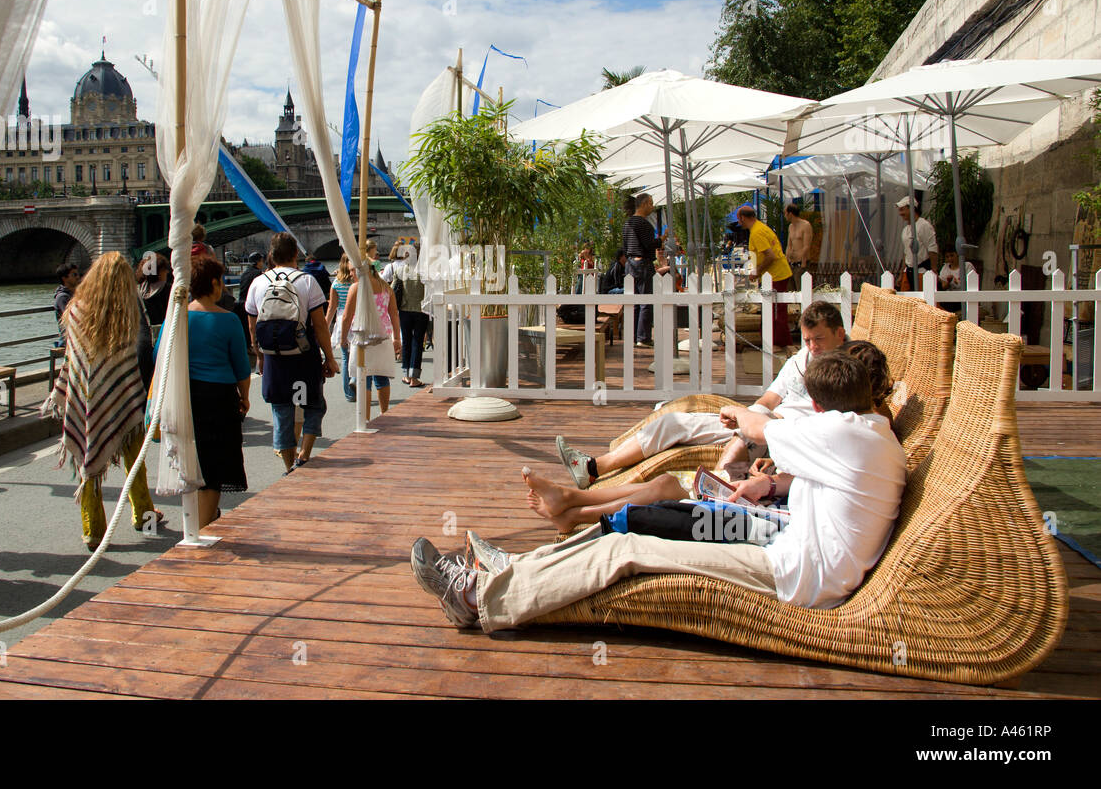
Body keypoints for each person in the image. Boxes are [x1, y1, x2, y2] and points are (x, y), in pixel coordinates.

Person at [409, 351, 907, 630]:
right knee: (647, 520)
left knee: (626, 549)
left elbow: (756, 425)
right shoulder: (873, 438)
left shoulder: (843, 437)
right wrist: (772, 481)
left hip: (795, 572)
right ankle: (507, 568)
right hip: (786, 538)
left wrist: (741, 420)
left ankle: (479, 597)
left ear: (821, 409)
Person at [528, 338, 897, 535]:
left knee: (665, 489)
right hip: (767, 490)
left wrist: (764, 474)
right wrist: (771, 480)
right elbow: (821, 472)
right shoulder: (861, 428)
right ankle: (573, 502)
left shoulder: (842, 429)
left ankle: (576, 510)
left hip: (768, 517)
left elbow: (766, 430)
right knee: (667, 481)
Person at [554, 301, 846, 488]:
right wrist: (747, 415)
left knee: (750, 426)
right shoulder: (799, 361)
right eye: (807, 339)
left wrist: (762, 421)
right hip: (759, 421)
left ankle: (717, 486)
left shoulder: (848, 371)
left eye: (819, 339)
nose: (812, 346)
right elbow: (769, 398)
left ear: (840, 334)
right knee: (673, 423)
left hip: (785, 438)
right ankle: (593, 467)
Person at [43, 251, 159, 551]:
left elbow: (74, 358)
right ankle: (143, 513)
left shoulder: (76, 310)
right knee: (135, 457)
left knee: (87, 461)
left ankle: (93, 530)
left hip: (84, 398)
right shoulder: (126, 316)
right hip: (125, 398)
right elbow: (138, 357)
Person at [245, 232, 339, 473]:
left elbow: (253, 328)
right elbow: (319, 325)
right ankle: (304, 454)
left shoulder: (258, 282)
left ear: (271, 256)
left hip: (275, 359)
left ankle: (289, 466)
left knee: (281, 411)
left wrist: (261, 357)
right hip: (303, 356)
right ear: (296, 254)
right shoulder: (307, 281)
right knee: (313, 405)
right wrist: (328, 358)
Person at [171, 254, 252, 524]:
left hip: (185, 397)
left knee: (191, 462)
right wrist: (245, 397)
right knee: (215, 466)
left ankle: (193, 522)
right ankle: (204, 525)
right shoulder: (228, 320)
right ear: (216, 283)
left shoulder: (178, 317)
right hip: (219, 398)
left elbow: (161, 356)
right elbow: (241, 368)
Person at [342, 261, 401, 414]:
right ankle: (384, 413)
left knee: (364, 379)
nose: (350, 274)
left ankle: (365, 417)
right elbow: (394, 313)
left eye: (352, 271)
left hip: (363, 337)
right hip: (383, 336)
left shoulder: (357, 288)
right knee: (382, 377)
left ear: (361, 270)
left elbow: (347, 317)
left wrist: (342, 338)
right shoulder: (386, 287)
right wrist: (397, 337)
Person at [736, 205, 793, 348]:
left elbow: (770, 256)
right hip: (776, 274)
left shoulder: (757, 233)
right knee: (775, 309)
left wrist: (757, 271)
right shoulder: (760, 227)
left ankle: (779, 343)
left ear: (742, 218)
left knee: (775, 311)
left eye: (739, 219)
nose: (739, 223)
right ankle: (777, 342)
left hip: (775, 275)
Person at [385, 243, 429, 386]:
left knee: (407, 342)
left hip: (404, 310)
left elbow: (392, 291)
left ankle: (406, 375)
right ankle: (414, 377)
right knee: (417, 342)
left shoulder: (400, 271)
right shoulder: (425, 271)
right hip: (421, 310)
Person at [622, 193, 658, 348]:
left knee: (633, 302)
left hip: (630, 263)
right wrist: (661, 240)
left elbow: (625, 247)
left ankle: (633, 335)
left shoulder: (628, 223)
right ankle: (643, 337)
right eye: (650, 203)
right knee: (645, 301)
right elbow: (649, 245)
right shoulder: (644, 224)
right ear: (643, 204)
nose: (652, 206)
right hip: (643, 263)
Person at [327, 254, 358, 402]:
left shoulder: (336, 283)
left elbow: (331, 307)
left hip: (342, 319)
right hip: (357, 318)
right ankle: (357, 381)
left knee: (345, 357)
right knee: (360, 355)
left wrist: (326, 325)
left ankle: (349, 394)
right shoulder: (358, 281)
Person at [897, 197, 939, 290]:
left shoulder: (924, 225)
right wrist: (901, 274)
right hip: (908, 271)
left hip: (922, 271)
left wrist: (934, 270)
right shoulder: (905, 229)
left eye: (902, 210)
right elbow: (906, 253)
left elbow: (932, 249)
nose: (900, 213)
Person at [235, 252, 266, 349]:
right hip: (248, 304)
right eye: (262, 261)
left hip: (240, 304)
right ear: (258, 262)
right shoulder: (258, 274)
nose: (262, 263)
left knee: (245, 328)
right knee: (252, 328)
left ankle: (247, 347)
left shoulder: (245, 272)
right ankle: (253, 347)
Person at [137, 251, 172, 329]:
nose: (167, 272)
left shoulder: (137, 291)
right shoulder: (169, 290)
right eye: (164, 269)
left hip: (142, 336)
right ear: (157, 272)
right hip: (163, 336)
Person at [52, 262, 80, 347]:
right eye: (74, 274)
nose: (78, 277)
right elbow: (71, 318)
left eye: (77, 274)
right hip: (68, 339)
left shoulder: (76, 294)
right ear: (64, 278)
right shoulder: (62, 297)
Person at [784, 203, 813, 283]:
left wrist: (802, 261)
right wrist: (787, 260)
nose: (785, 215)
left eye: (785, 213)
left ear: (790, 214)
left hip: (802, 262)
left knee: (800, 288)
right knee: (791, 289)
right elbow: (789, 245)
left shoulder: (805, 225)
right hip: (791, 263)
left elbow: (806, 245)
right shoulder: (790, 226)